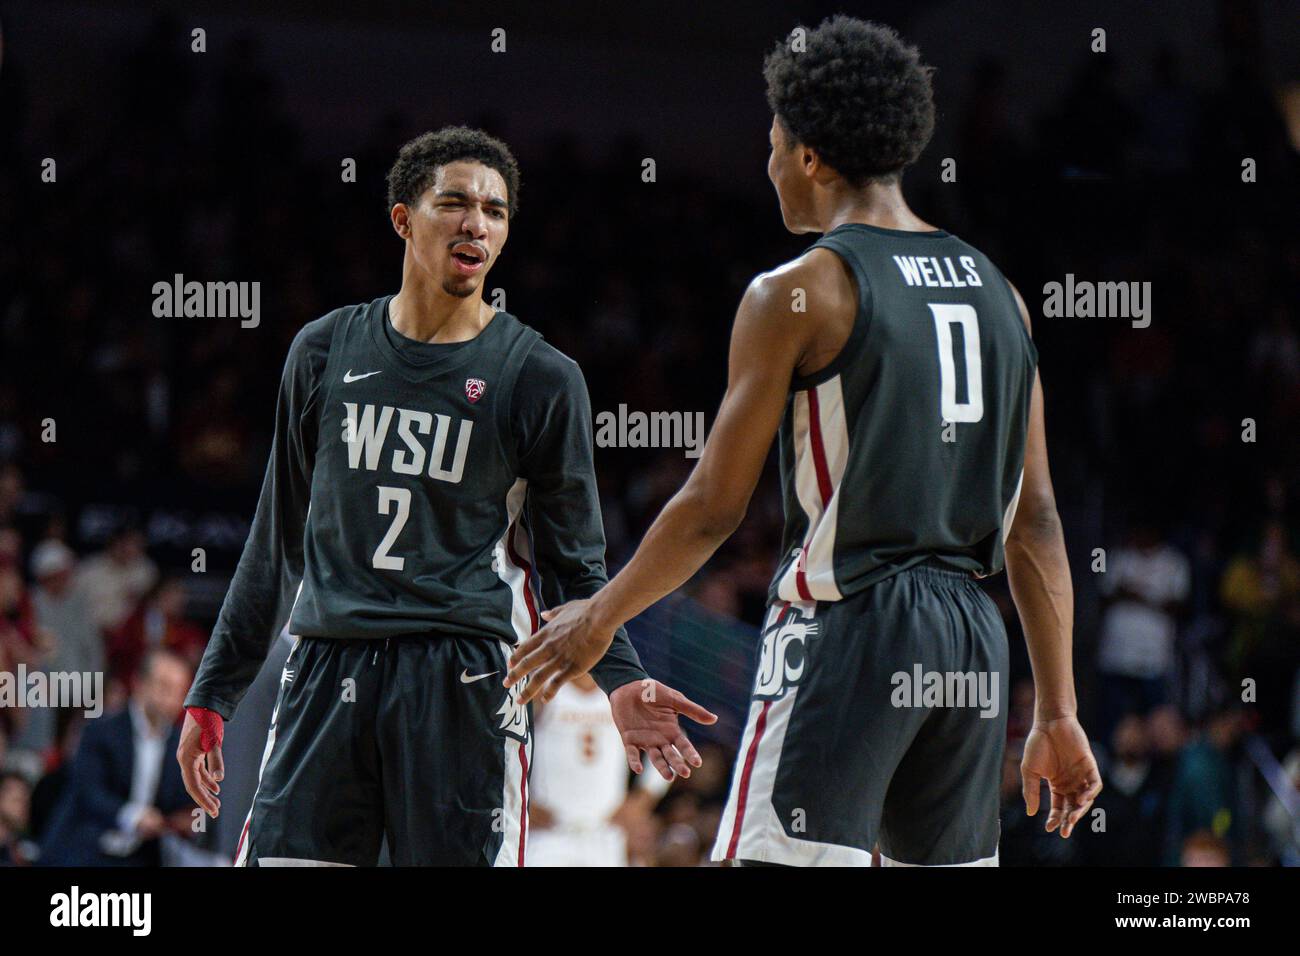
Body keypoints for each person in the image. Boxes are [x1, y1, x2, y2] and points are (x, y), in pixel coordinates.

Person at [507, 16, 1101, 867]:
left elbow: (714, 505)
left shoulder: (800, 291)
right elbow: (1037, 520)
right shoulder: (1001, 293)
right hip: (973, 641)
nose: (768, 161)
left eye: (776, 141)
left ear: (814, 155)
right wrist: (1057, 711)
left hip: (850, 623)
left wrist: (600, 617)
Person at [178, 127, 715, 867]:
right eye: (455, 203)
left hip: (460, 678)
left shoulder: (540, 377)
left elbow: (574, 567)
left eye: (495, 211)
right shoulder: (324, 350)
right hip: (329, 663)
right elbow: (276, 542)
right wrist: (213, 693)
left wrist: (619, 678)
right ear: (404, 218)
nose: (477, 223)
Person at [39, 649, 194, 866]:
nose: (171, 698)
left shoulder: (182, 745)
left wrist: (190, 819)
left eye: (179, 690)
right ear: (139, 683)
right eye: (164, 686)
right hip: (86, 850)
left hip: (139, 857)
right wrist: (134, 816)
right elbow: (89, 793)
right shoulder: (101, 731)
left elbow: (184, 803)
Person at [527, 673, 671, 866]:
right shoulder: (541, 685)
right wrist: (522, 802)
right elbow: (503, 743)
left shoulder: (625, 687)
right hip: (548, 833)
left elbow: (671, 741)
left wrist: (643, 800)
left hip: (605, 834)